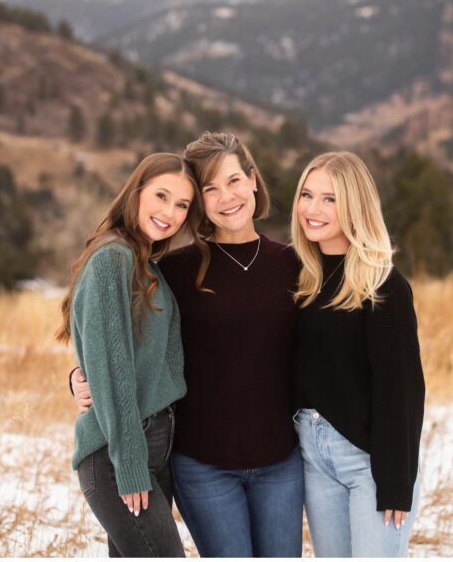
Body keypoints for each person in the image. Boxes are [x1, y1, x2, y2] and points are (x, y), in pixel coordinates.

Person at [73, 132, 304, 557]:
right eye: (209, 189)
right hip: (195, 460)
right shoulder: (170, 270)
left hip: (273, 459)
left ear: (253, 180)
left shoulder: (295, 265)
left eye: (234, 181)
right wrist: (80, 375)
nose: (226, 197)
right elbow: (102, 336)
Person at [56, 152, 202, 558]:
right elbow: (113, 368)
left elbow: (124, 352)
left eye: (182, 205)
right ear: (136, 192)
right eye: (161, 195)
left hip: (151, 445)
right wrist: (131, 463)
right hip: (118, 451)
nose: (169, 212)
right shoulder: (113, 259)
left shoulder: (144, 262)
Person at [290, 151, 425, 558]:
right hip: (314, 456)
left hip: (369, 463)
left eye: (329, 199)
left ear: (355, 205)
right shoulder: (300, 278)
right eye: (307, 195)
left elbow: (401, 390)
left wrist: (396, 483)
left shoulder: (383, 285)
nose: (313, 209)